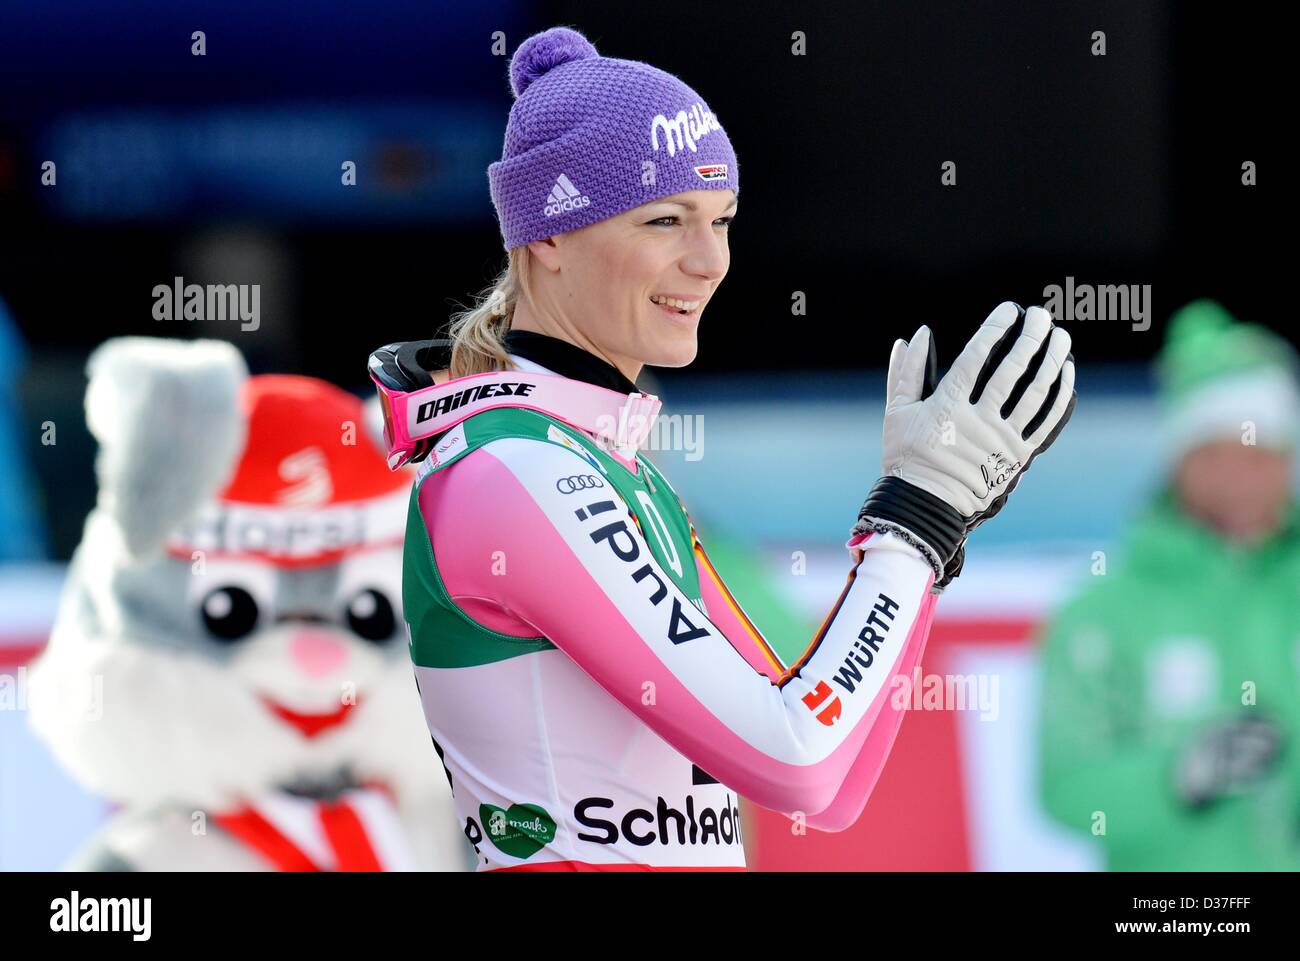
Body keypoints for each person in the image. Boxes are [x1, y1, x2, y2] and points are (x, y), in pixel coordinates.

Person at [368, 26, 1077, 871]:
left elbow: (833, 776)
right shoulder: (516, 473)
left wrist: (927, 528)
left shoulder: (611, 470)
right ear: (549, 237)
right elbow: (799, 757)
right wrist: (916, 515)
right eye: (666, 220)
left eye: (722, 220)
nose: (709, 260)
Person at [1038, 299, 1300, 870]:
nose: (1244, 476)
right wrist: (1178, 776)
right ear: (1179, 461)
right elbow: (1064, 790)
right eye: (1220, 454)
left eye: (1264, 453)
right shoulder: (1103, 610)